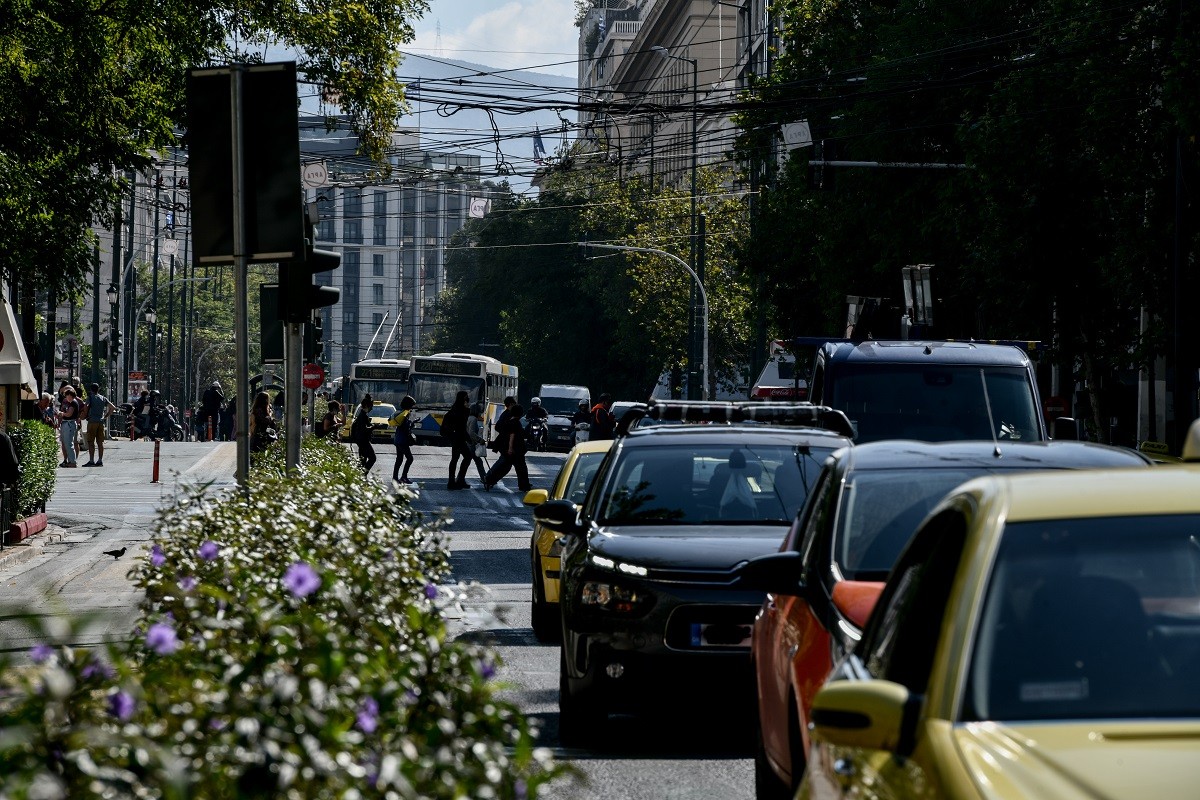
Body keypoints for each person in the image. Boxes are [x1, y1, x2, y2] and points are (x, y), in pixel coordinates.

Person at [483, 396, 531, 492]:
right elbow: (512, 434)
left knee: (506, 466)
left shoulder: (509, 416)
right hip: (514, 448)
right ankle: (489, 479)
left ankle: (489, 479)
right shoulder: (511, 419)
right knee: (519, 467)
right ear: (511, 404)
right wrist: (510, 447)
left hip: (508, 446)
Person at [441, 390, 473, 490]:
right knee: (467, 456)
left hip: (454, 437)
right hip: (459, 437)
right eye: (466, 397)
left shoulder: (454, 409)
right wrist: (469, 439)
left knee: (455, 459)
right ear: (464, 398)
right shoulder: (464, 410)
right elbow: (462, 427)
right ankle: (459, 480)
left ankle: (453, 481)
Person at [82, 382, 115, 466]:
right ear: (98, 389)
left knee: (91, 442)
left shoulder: (90, 398)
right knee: (100, 442)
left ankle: (91, 460)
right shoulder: (103, 398)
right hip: (100, 422)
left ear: (90, 390)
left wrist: (85, 414)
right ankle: (100, 460)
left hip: (92, 421)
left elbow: (86, 405)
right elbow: (112, 407)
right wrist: (106, 416)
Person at [390, 396, 417, 484]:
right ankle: (404, 477)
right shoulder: (405, 414)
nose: (412, 407)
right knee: (410, 458)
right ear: (409, 405)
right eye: (412, 405)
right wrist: (412, 424)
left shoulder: (401, 413)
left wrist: (411, 423)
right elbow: (406, 428)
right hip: (403, 441)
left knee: (399, 459)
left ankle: (395, 478)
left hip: (398, 439)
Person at [57, 385, 83, 467]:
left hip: (70, 423)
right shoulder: (69, 402)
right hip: (66, 423)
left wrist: (62, 413)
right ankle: (70, 460)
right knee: (66, 442)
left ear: (70, 395)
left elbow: (69, 414)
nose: (66, 398)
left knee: (69, 443)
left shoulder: (73, 403)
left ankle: (72, 461)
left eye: (67, 396)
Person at [350, 394, 376, 473]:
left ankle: (361, 477)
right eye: (371, 406)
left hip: (360, 440)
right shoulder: (362, 416)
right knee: (372, 458)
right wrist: (374, 427)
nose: (372, 408)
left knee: (362, 460)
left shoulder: (363, 415)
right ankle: (363, 474)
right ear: (366, 406)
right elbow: (364, 429)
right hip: (363, 441)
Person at [465, 401, 489, 485]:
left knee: (468, 462)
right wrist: (479, 440)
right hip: (471, 445)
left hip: (468, 444)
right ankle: (484, 478)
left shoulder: (468, 418)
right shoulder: (474, 419)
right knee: (477, 462)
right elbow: (471, 433)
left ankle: (484, 478)